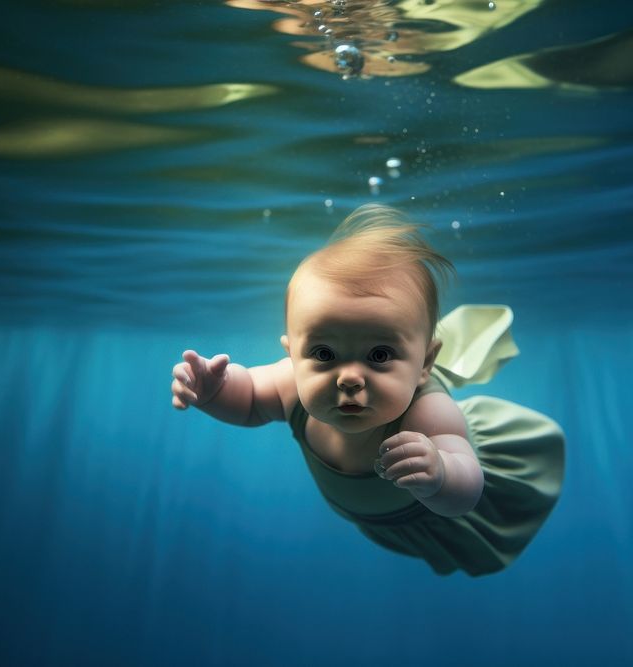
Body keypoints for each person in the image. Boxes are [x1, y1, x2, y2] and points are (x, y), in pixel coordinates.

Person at [171, 204, 564, 576]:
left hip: (431, 516)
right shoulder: (290, 384)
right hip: (378, 515)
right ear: (292, 355)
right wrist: (212, 391)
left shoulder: (426, 415)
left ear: (425, 363)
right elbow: (251, 401)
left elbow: (466, 493)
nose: (349, 377)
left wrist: (441, 474)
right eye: (324, 353)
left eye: (379, 354)